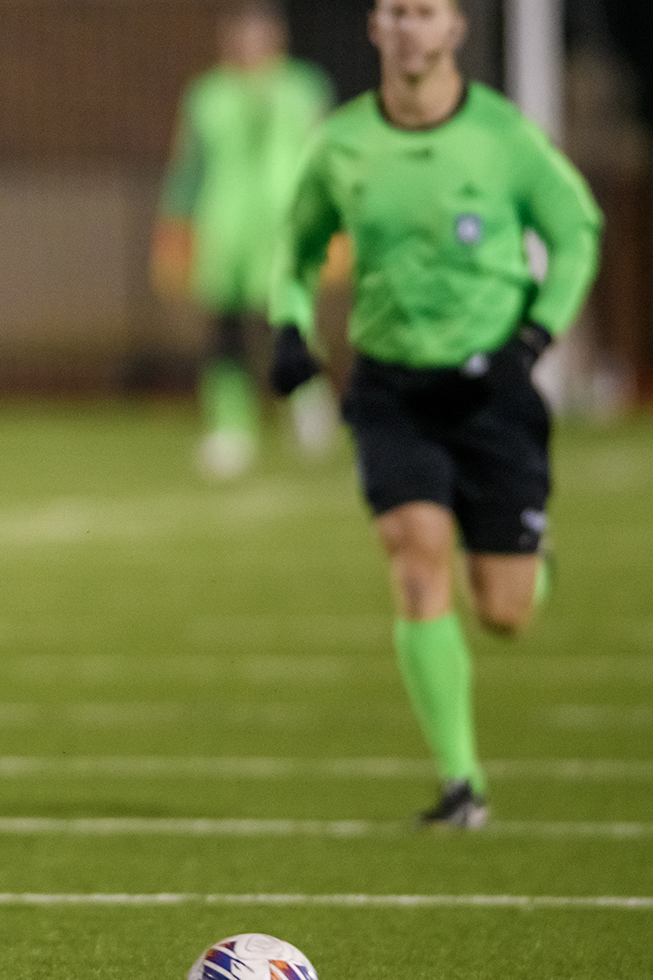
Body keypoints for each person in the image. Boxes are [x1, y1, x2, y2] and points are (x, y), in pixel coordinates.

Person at [268, 0, 601, 827]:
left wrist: (534, 338)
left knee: (504, 612)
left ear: (454, 30)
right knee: (416, 563)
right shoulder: (342, 143)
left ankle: (533, 559)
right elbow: (297, 248)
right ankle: (463, 784)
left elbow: (578, 232)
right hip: (390, 392)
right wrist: (290, 326)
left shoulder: (503, 137)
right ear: (376, 29)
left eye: (425, 12)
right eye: (395, 12)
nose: (409, 26)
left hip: (493, 391)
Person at [155, 1, 335, 478]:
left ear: (277, 37)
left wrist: (334, 221)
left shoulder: (303, 88)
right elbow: (188, 166)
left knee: (289, 321)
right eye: (239, 33)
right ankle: (231, 427)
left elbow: (325, 158)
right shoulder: (207, 95)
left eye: (258, 32)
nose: (248, 43)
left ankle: (307, 407)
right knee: (225, 329)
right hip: (225, 225)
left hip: (285, 223)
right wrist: (176, 227)